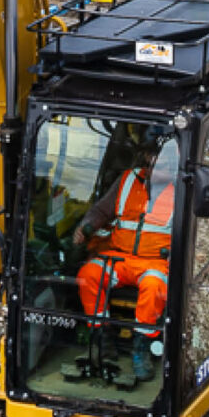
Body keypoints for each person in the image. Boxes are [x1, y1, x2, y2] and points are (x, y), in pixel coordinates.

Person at [75, 137, 178, 387]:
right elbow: (101, 211)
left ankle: (141, 348)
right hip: (118, 257)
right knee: (88, 275)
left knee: (154, 287)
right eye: (150, 161)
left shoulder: (182, 189)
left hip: (155, 263)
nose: (153, 168)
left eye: (160, 163)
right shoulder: (127, 180)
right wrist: (85, 227)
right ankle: (102, 339)